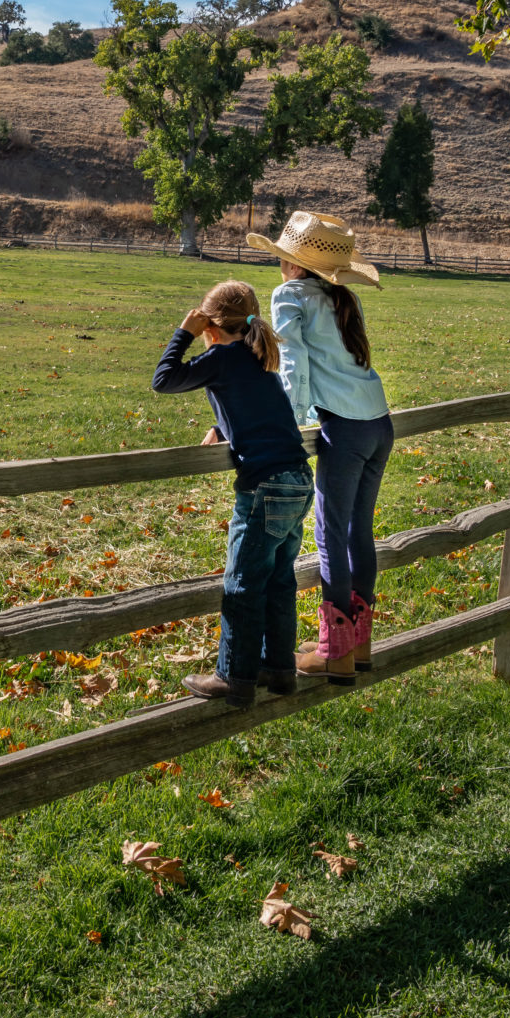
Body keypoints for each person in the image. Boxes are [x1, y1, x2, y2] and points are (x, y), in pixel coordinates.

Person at [151, 279, 313, 709]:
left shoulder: (221, 357)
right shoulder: (259, 357)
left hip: (265, 486)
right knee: (279, 581)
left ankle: (234, 677)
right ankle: (277, 669)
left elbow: (164, 380)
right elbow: (257, 410)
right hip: (298, 479)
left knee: (242, 583)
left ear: (210, 326)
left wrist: (182, 332)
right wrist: (222, 427)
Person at [246, 211, 391, 684]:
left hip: (345, 430)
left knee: (330, 535)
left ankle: (334, 651)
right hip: (377, 421)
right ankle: (358, 642)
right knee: (358, 532)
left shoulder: (289, 295)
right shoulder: (342, 296)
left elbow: (293, 364)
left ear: (292, 264)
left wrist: (290, 419)